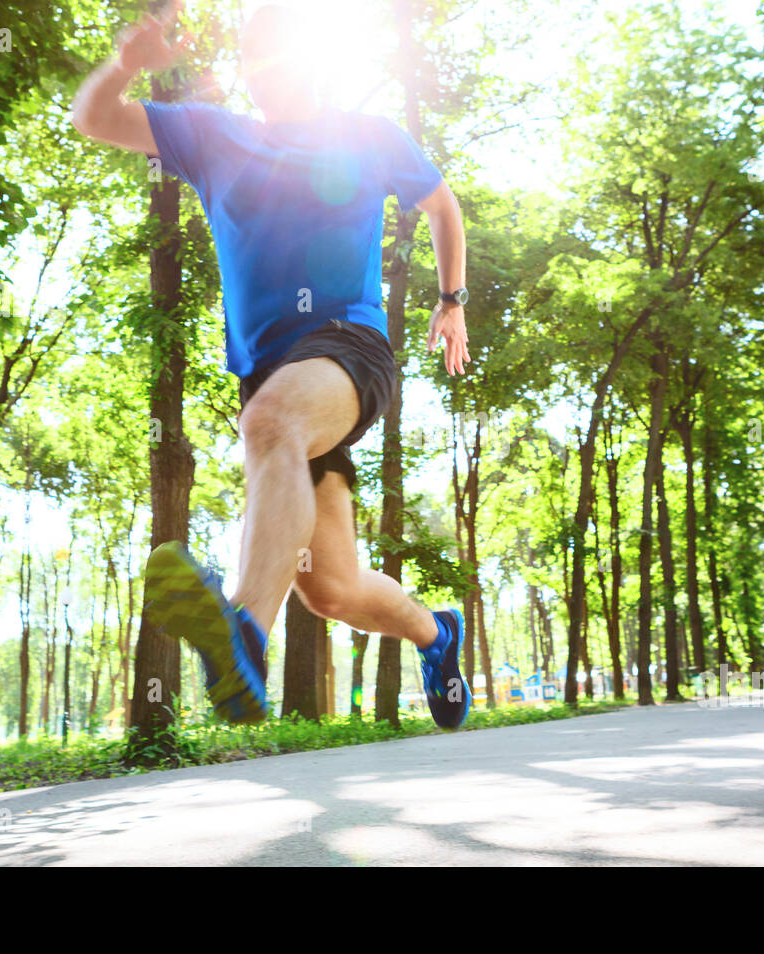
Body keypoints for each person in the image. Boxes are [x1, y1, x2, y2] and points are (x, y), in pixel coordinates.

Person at [71, 1, 471, 729]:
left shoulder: (370, 137)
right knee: (333, 590)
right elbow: (93, 119)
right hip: (276, 377)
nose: (275, 68)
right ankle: (435, 632)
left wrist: (453, 299)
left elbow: (444, 207)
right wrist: (127, 64)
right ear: (249, 71)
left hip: (348, 349)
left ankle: (244, 639)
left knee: (271, 420)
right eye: (260, 56)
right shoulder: (211, 134)